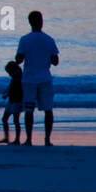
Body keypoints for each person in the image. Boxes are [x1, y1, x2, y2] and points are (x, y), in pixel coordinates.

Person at [16, 10, 60, 146]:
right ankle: (47, 139)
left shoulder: (24, 39)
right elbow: (55, 61)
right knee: (48, 110)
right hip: (45, 77)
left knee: (29, 110)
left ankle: (29, 139)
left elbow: (19, 59)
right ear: (41, 21)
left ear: (30, 22)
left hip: (29, 78)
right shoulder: (49, 39)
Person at [0, 61, 24, 144]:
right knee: (4, 119)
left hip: (17, 102)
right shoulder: (14, 79)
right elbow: (10, 87)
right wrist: (6, 94)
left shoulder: (20, 79)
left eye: (10, 72)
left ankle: (17, 139)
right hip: (11, 101)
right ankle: (7, 137)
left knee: (16, 120)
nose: (9, 74)